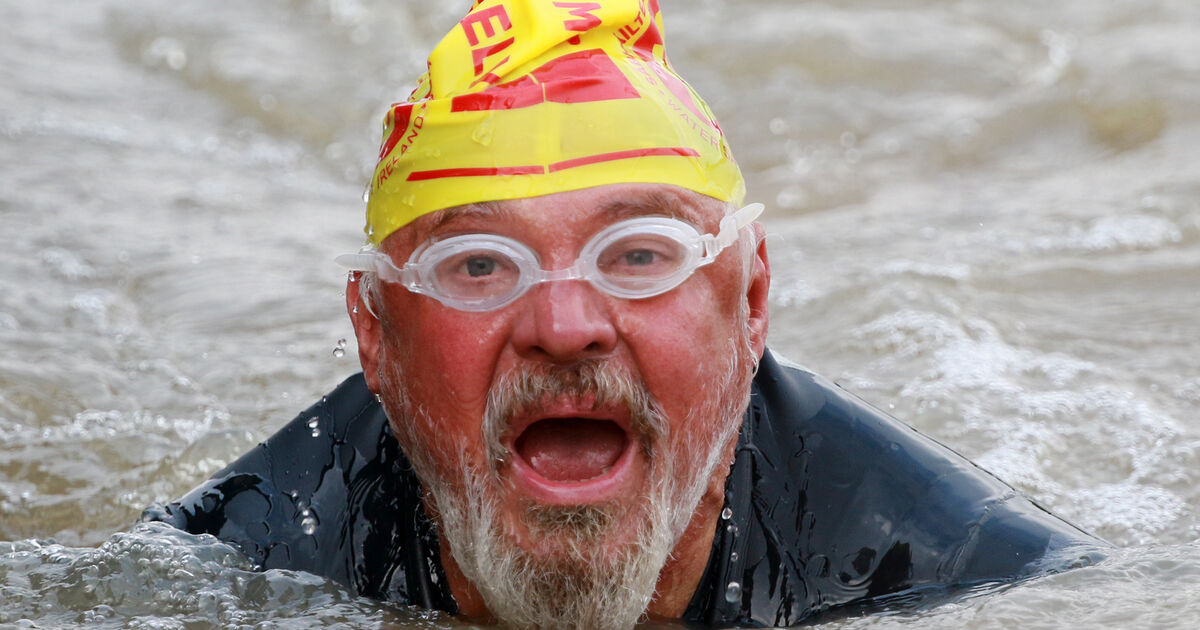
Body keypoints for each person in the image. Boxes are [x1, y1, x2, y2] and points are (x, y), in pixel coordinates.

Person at [143, 1, 1105, 628]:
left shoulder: (964, 579)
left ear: (753, 297)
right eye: (480, 264)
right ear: (376, 335)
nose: (564, 325)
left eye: (638, 256)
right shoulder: (230, 571)